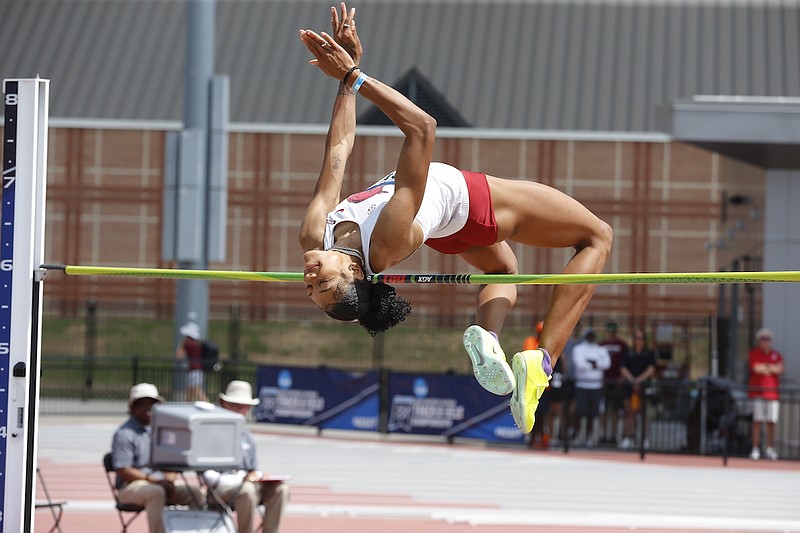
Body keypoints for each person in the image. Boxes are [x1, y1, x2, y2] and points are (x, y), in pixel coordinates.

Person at [298, 2, 612, 435]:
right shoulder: (384, 243)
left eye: (310, 288)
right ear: (354, 272)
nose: (310, 277)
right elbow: (422, 128)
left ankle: (490, 338)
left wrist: (345, 83)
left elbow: (339, 148)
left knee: (502, 270)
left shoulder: (316, 233)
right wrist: (353, 75)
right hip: (473, 205)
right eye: (323, 285)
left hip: (443, 229)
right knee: (597, 236)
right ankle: (543, 364)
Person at [111, 383, 204, 533]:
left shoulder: (164, 430)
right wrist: (157, 481)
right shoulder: (124, 434)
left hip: (161, 482)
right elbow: (124, 470)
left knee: (196, 493)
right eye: (142, 403)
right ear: (133, 408)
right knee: (156, 492)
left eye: (152, 403)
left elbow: (172, 459)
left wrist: (169, 480)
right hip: (131, 486)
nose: (148, 407)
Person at [203, 381, 290, 533]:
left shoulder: (247, 436)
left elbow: (253, 469)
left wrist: (259, 475)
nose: (240, 411)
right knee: (248, 490)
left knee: (281, 489)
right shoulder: (210, 432)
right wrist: (243, 478)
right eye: (235, 405)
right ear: (224, 404)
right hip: (220, 488)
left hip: (246, 484)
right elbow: (207, 475)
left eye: (244, 407)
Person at [748, 328, 784, 460]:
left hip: (772, 394)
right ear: (759, 341)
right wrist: (770, 367)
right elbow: (756, 368)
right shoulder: (754, 353)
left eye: (767, 339)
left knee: (771, 422)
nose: (765, 341)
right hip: (758, 393)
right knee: (757, 421)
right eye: (763, 339)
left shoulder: (776, 354)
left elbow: (780, 368)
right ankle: (755, 449)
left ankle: (769, 449)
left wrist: (766, 367)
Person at [572, 328, 611, 447]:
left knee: (592, 414)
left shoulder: (601, 349)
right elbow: (579, 364)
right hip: (582, 385)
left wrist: (593, 363)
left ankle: (589, 438)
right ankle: (577, 436)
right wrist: (595, 365)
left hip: (596, 386)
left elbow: (607, 364)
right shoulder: (578, 349)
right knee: (579, 412)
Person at [618, 329, 656, 449]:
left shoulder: (648, 354)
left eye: (641, 338)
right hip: (629, 388)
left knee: (643, 413)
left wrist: (639, 380)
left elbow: (651, 369)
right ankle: (628, 437)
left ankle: (645, 439)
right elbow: (623, 368)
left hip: (643, 388)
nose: (639, 341)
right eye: (637, 338)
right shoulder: (629, 353)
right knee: (629, 412)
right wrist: (632, 380)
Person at [599, 321, 628, 443]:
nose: (611, 334)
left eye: (613, 331)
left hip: (617, 381)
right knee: (604, 410)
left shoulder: (622, 345)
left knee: (616, 409)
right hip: (605, 380)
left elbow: (625, 362)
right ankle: (603, 434)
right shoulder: (601, 344)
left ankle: (613, 435)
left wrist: (621, 377)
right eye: (609, 331)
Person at [176, 321, 208, 402]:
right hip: (199, 369)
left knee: (197, 389)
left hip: (194, 370)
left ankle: (206, 402)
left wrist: (181, 346)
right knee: (190, 390)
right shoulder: (197, 344)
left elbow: (179, 356)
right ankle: (188, 404)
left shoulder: (187, 344)